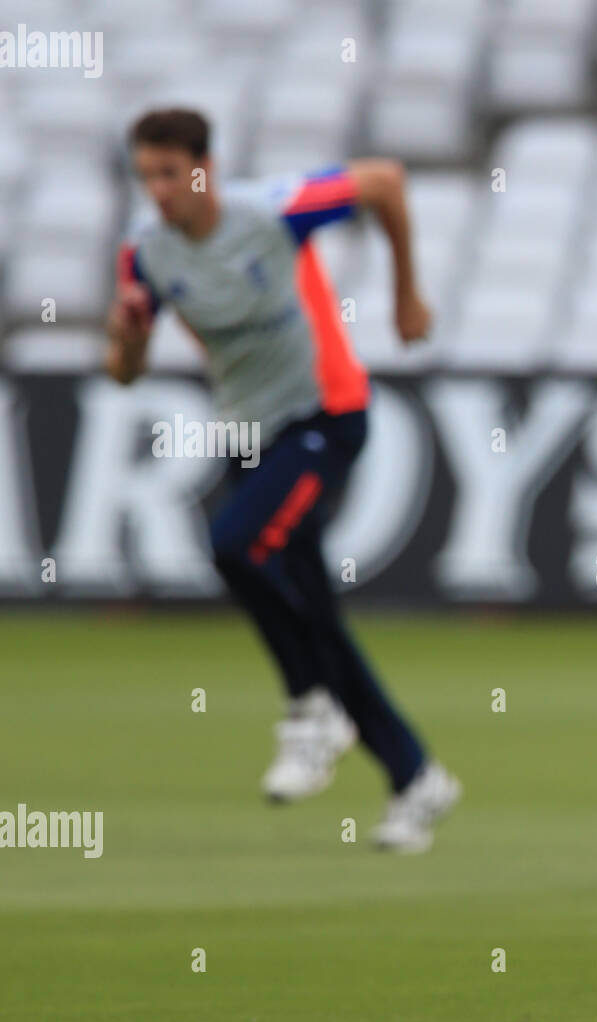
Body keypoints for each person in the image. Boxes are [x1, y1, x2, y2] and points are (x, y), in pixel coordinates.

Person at [106, 108, 459, 855]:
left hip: (325, 412)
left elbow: (385, 182)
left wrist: (405, 295)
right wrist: (129, 339)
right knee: (315, 615)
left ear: (205, 166)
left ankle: (309, 709)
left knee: (235, 546)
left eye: (170, 172)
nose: (159, 190)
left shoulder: (269, 212)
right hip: (250, 432)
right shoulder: (147, 258)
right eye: (147, 177)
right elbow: (125, 374)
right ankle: (414, 774)